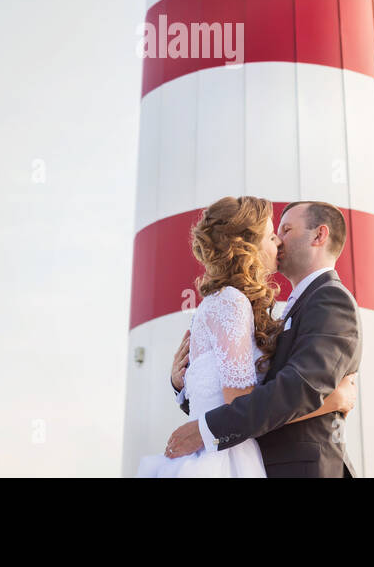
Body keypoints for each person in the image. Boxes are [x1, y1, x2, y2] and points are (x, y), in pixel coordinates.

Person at [136, 196, 357, 477]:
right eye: (272, 234)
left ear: (319, 235)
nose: (278, 240)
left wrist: (201, 419)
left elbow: (300, 387)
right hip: (235, 459)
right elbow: (240, 397)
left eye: (285, 231)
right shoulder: (235, 303)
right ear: (247, 246)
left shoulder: (328, 299)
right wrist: (332, 399)